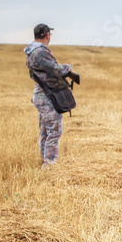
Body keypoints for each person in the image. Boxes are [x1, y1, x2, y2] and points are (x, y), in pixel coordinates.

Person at [25, 23, 76, 168]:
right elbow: (55, 69)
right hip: (47, 96)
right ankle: (49, 166)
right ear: (47, 35)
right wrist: (68, 68)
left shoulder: (32, 51)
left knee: (45, 131)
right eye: (50, 35)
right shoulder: (40, 52)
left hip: (42, 94)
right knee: (54, 131)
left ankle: (44, 161)